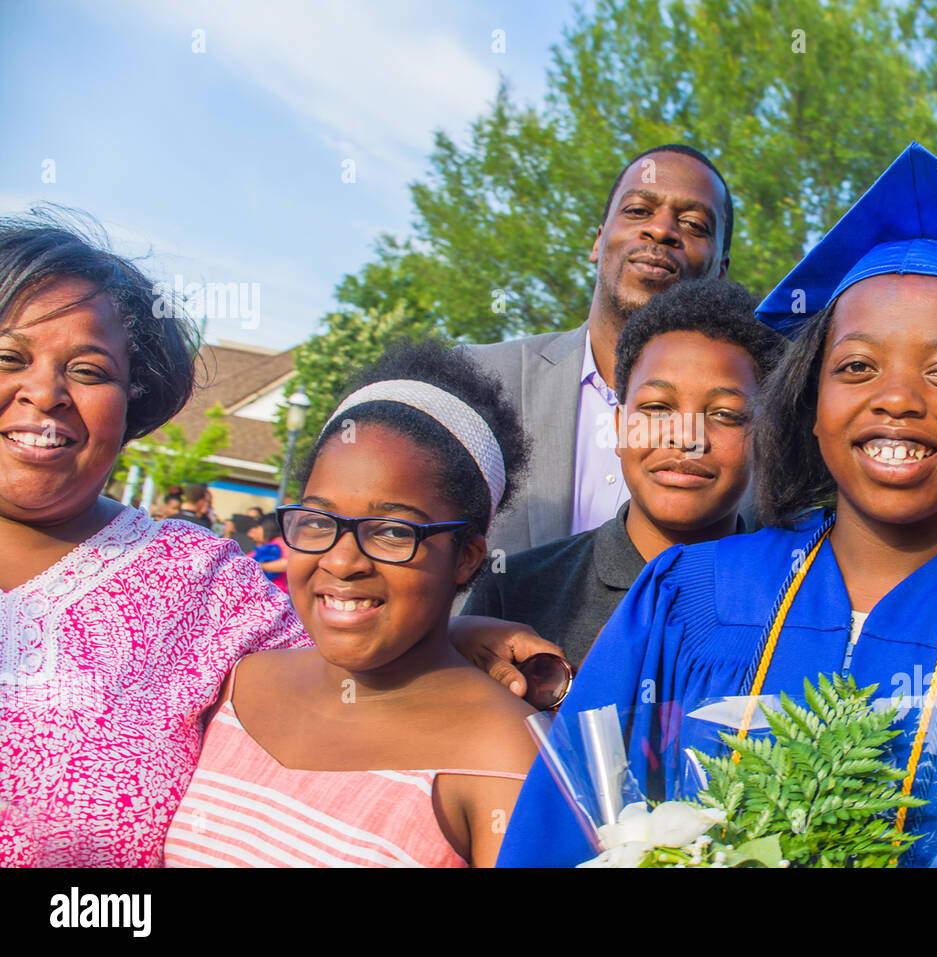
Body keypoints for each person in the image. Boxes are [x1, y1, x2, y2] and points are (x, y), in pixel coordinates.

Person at [497, 142, 937, 868]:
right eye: (855, 366)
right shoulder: (683, 600)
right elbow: (570, 832)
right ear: (813, 404)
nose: (897, 399)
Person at [0, 209, 307, 867]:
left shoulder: (199, 580)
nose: (46, 392)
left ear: (132, 394)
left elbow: (348, 688)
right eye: (8, 356)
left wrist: (451, 639)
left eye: (87, 370)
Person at [164, 340, 537, 868]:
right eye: (317, 521)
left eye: (390, 531)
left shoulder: (507, 756)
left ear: (467, 557)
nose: (341, 562)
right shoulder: (234, 684)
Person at [462, 278, 781, 668]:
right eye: (657, 408)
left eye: (725, 415)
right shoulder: (516, 593)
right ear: (618, 425)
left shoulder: (798, 597)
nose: (685, 437)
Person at [465, 144, 733, 557]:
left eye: (694, 224)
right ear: (598, 241)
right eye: (638, 211)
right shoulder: (479, 380)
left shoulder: (761, 422)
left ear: (720, 271)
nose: (661, 230)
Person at [247, 514, 289, 593]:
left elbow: (288, 563)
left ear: (268, 527)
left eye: (257, 527)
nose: (253, 531)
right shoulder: (267, 545)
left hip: (275, 594)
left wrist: (259, 566)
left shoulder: (280, 542)